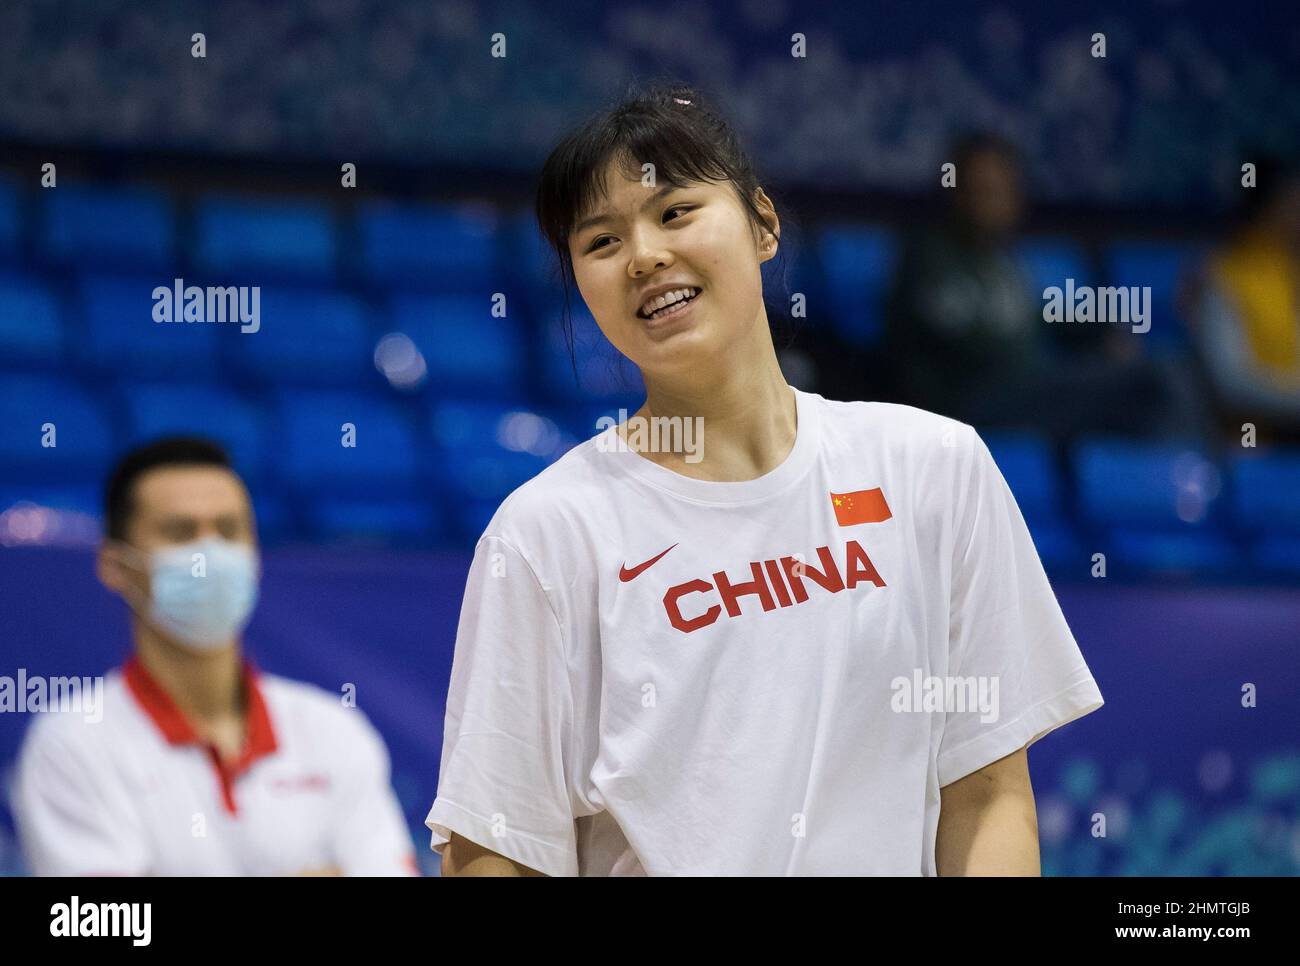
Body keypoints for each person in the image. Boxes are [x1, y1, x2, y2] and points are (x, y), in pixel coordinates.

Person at [425, 85, 1104, 876]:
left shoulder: (933, 468)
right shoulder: (546, 533)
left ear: (764, 224)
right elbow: (495, 850)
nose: (644, 255)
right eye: (602, 242)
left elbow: (986, 796)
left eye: (675, 212)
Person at [12, 436, 417, 876]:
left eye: (228, 530)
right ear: (115, 565)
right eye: (181, 533)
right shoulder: (73, 744)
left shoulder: (333, 729)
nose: (211, 554)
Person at [885, 132, 1204, 444]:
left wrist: (1102, 331)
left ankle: (1154, 488)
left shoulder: (1003, 260)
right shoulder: (927, 256)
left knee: (1160, 384)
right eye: (981, 189)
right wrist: (1058, 362)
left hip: (1026, 393)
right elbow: (984, 345)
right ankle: (1197, 487)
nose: (992, 201)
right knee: (1154, 381)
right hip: (970, 405)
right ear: (956, 193)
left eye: (1002, 191)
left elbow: (1035, 317)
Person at [1185, 157, 1300, 442]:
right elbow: (1232, 386)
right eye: (1293, 205)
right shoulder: (1223, 276)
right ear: (1268, 209)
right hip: (1254, 438)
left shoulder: (1292, 273)